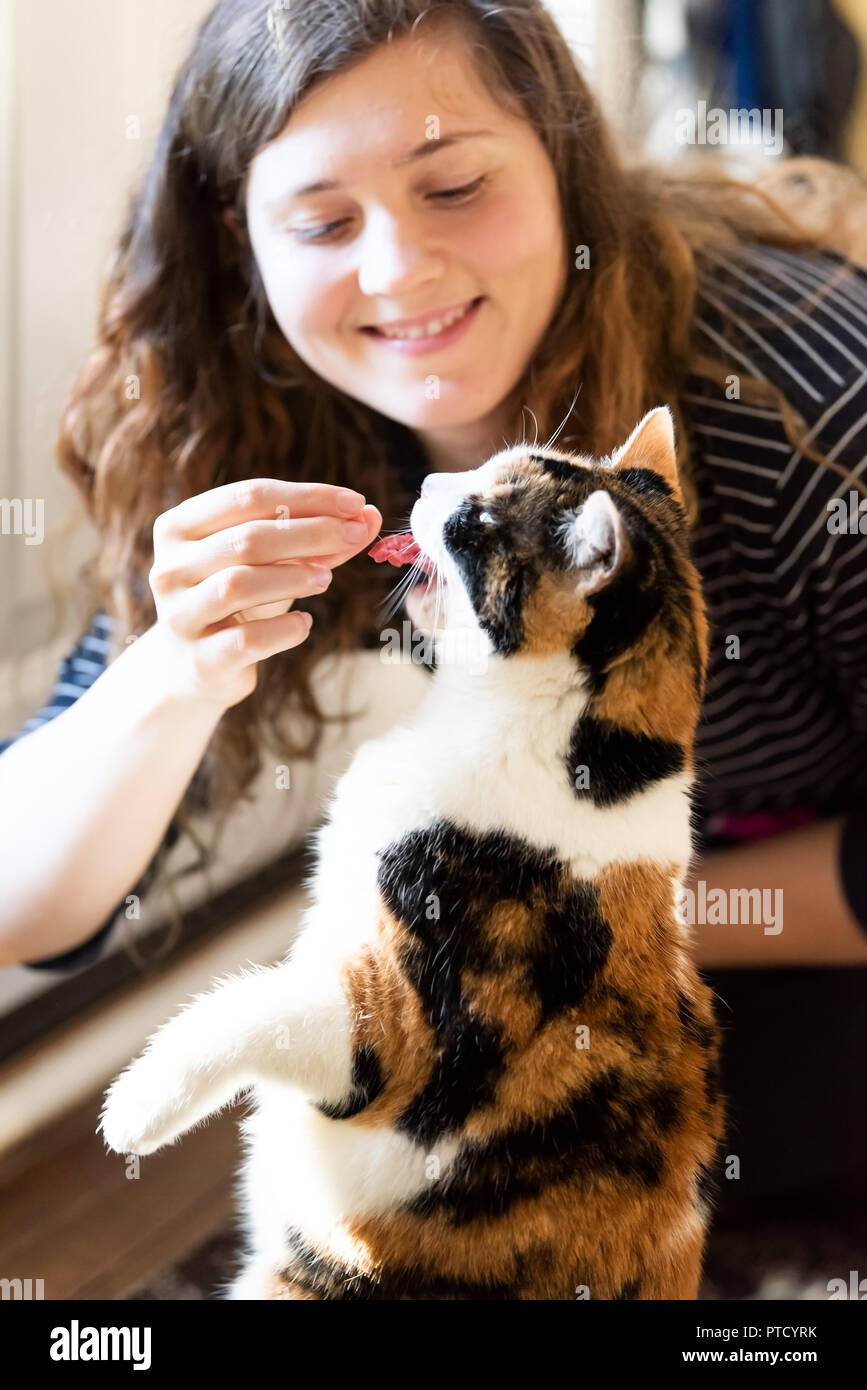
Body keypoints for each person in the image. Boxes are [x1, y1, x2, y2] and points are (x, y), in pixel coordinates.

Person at [0, 0, 865, 1213]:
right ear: (237, 242)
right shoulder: (259, 421)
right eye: (319, 222)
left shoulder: (815, 412)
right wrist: (170, 670)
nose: (397, 268)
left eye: (453, 186)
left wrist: (589, 929)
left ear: (567, 167)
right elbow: (27, 907)